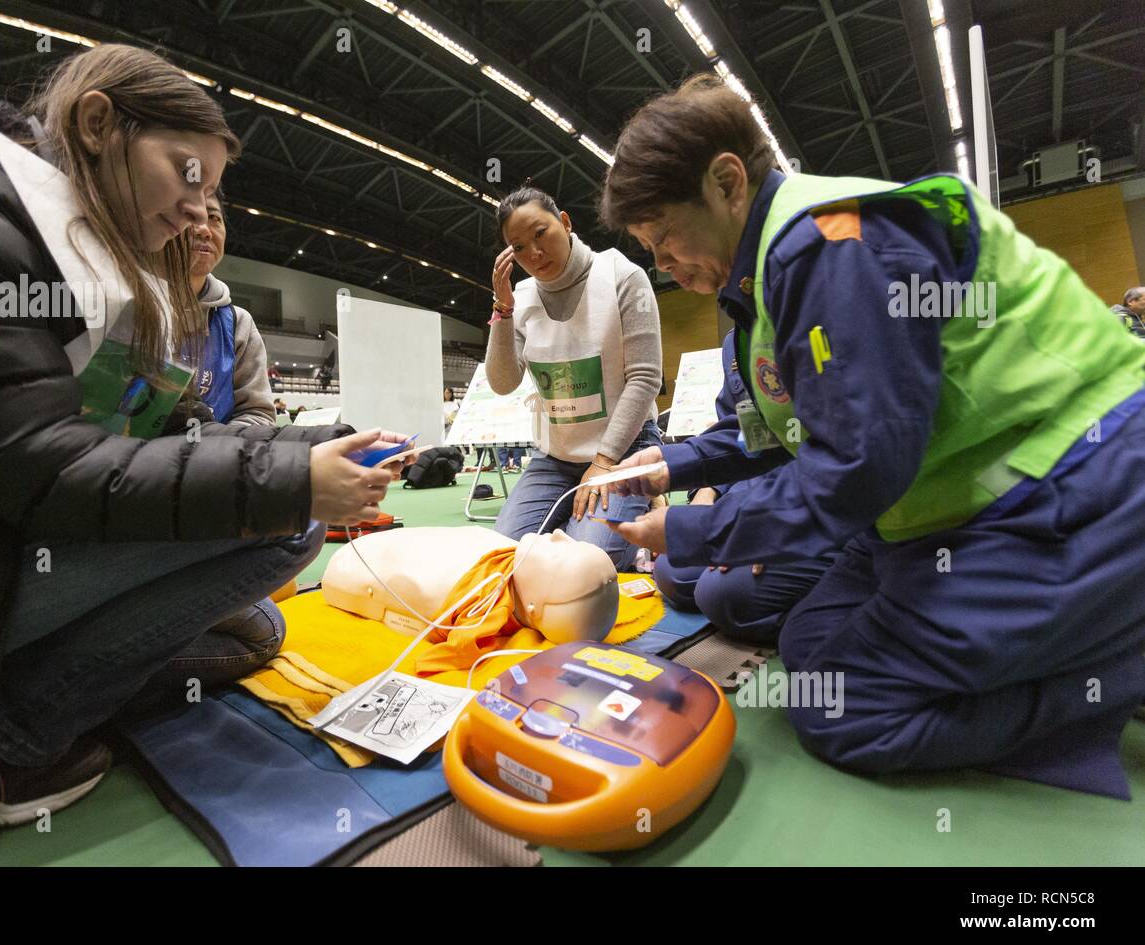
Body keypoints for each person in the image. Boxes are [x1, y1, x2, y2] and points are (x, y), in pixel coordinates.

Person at [0, 45, 410, 861]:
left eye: (213, 200)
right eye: (190, 179)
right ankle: (17, 731)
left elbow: (169, 433)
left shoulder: (147, 294)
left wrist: (311, 447)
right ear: (100, 123)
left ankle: (32, 699)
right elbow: (52, 466)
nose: (198, 215)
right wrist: (291, 477)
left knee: (254, 632)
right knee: (281, 535)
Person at [599, 73, 1145, 798]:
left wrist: (697, 530)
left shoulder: (831, 247)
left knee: (840, 711)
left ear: (728, 182)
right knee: (804, 644)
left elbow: (857, 466)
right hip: (955, 508)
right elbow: (776, 429)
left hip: (1078, 481)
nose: (663, 266)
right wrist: (670, 466)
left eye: (664, 240)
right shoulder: (766, 281)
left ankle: (1112, 672)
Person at [486, 183, 663, 570]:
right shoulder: (522, 297)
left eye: (540, 233)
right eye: (518, 247)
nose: (533, 253)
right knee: (498, 559)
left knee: (584, 565)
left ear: (564, 223)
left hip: (624, 450)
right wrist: (503, 310)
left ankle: (643, 505)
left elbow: (646, 378)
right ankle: (612, 511)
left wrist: (603, 461)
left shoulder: (623, 275)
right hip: (556, 457)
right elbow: (503, 382)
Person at [652, 332, 841, 645]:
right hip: (758, 484)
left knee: (720, 596)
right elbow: (744, 432)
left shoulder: (818, 327)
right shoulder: (738, 339)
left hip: (819, 501)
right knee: (673, 570)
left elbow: (834, 458)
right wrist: (708, 492)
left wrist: (761, 524)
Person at [184, 190, 276, 425]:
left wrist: (209, 452)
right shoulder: (128, 304)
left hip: (214, 459)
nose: (204, 230)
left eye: (214, 218)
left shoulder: (238, 323)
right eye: (190, 217)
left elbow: (259, 415)